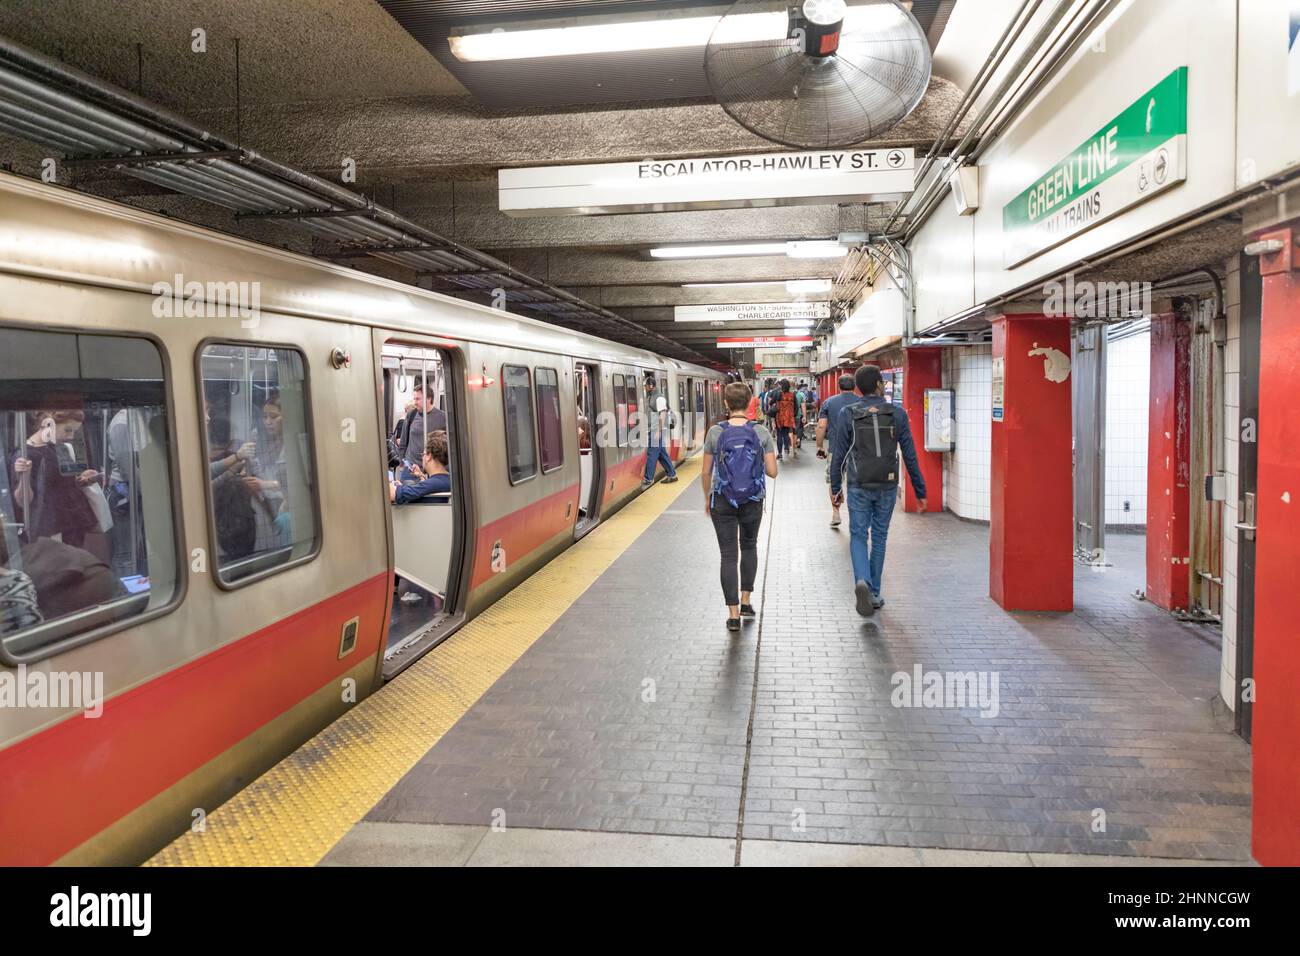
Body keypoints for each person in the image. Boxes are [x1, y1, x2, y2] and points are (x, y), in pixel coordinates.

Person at [829, 364, 927, 617]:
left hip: (858, 483)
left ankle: (861, 579)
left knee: (859, 535)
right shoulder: (897, 413)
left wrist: (835, 486)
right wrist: (920, 489)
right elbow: (909, 454)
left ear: (859, 388)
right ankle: (873, 593)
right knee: (880, 537)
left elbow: (838, 453)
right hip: (887, 483)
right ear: (879, 385)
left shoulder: (848, 413)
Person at [701, 382, 778, 632]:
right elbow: (772, 472)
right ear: (750, 403)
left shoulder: (715, 432)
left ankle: (732, 614)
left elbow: (706, 471)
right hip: (753, 500)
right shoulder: (761, 432)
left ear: (725, 403)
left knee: (728, 555)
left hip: (722, 499)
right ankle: (746, 601)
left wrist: (707, 499)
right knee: (749, 546)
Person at [9, 410, 100, 550]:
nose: (70, 436)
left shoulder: (60, 448)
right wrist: (24, 479)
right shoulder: (25, 455)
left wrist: (82, 480)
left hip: (72, 523)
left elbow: (63, 483)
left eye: (74, 432)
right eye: (67, 430)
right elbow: (23, 501)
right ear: (48, 424)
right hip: (52, 527)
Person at [816, 373, 859, 529]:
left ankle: (836, 513)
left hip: (835, 449)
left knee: (835, 480)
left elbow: (821, 426)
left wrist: (819, 446)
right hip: (858, 451)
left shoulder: (829, 402)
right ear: (854, 386)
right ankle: (856, 515)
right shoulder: (861, 402)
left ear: (838, 386)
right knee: (856, 482)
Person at [390, 431, 452, 504]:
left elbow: (392, 494)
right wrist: (421, 476)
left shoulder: (433, 483)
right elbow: (428, 488)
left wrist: (388, 482)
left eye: (423, 454)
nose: (422, 457)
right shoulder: (447, 479)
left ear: (428, 457)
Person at [640, 372, 678, 488]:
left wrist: (658, 431)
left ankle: (648, 479)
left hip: (657, 429)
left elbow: (663, 414)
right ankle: (672, 475)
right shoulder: (652, 397)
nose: (645, 388)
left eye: (646, 386)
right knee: (661, 453)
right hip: (655, 429)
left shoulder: (659, 398)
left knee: (652, 453)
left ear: (651, 386)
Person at [401, 382, 447, 476]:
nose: (415, 402)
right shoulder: (411, 415)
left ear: (428, 399)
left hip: (433, 470)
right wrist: (401, 462)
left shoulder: (443, 418)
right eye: (414, 399)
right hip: (411, 468)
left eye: (418, 399)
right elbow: (403, 441)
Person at [773, 380, 798, 460]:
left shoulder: (778, 394)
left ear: (781, 386)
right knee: (786, 433)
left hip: (779, 417)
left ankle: (780, 454)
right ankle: (786, 447)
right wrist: (793, 415)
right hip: (788, 417)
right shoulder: (793, 395)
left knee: (779, 435)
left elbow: (771, 402)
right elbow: (796, 407)